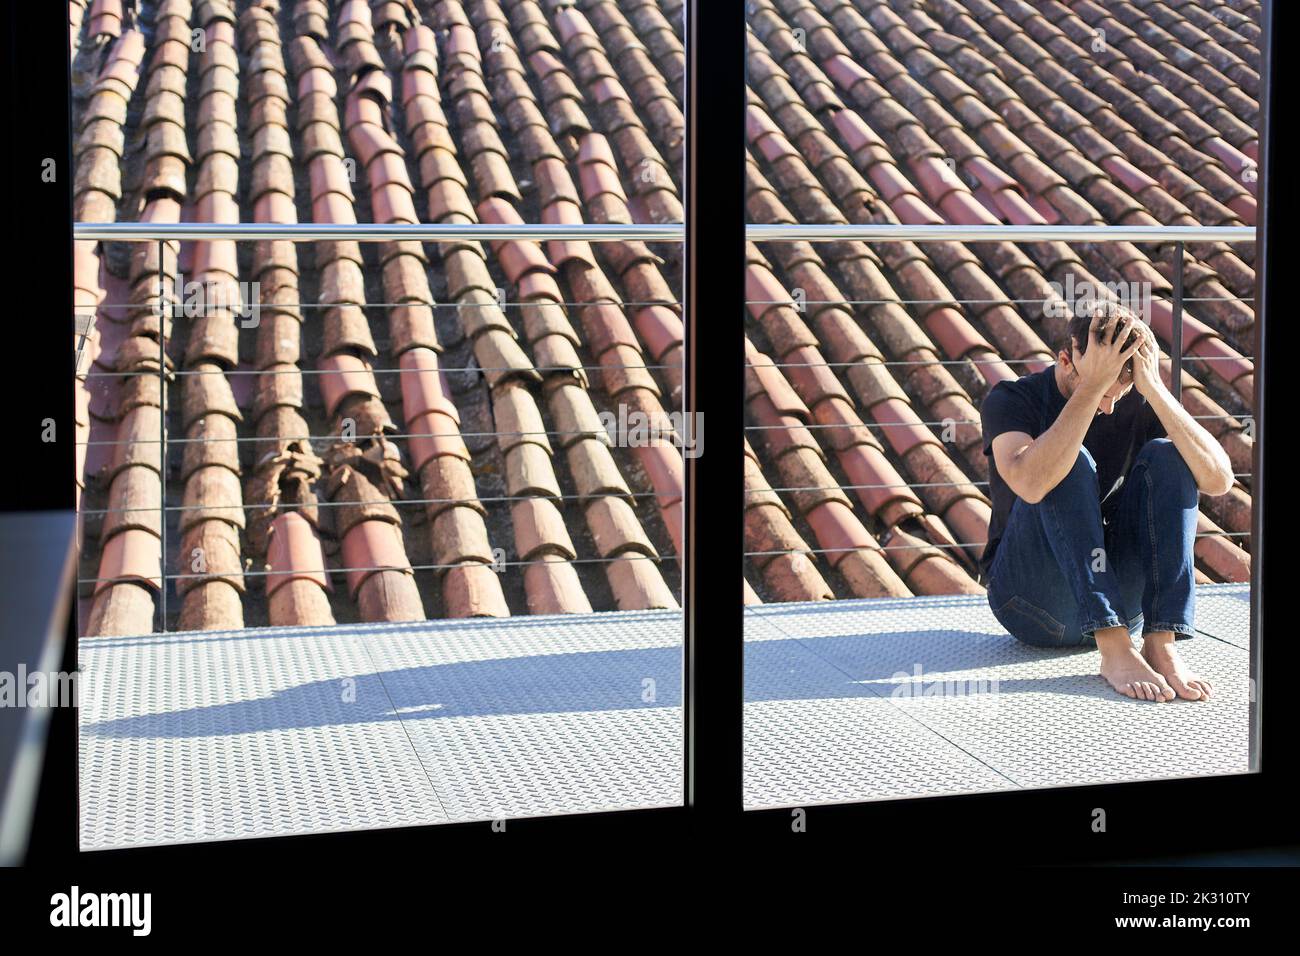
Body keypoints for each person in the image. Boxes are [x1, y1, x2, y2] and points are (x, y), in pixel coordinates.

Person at [979, 301, 1236, 702]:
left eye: (1121, 390)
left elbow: (1219, 480)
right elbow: (1028, 483)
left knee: (1170, 454)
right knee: (1065, 460)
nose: (1109, 406)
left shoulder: (1138, 396)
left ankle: (1160, 642)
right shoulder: (1012, 398)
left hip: (1123, 601)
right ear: (1065, 360)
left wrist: (1154, 388)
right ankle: (1113, 647)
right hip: (1031, 604)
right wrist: (1091, 388)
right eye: (1103, 390)